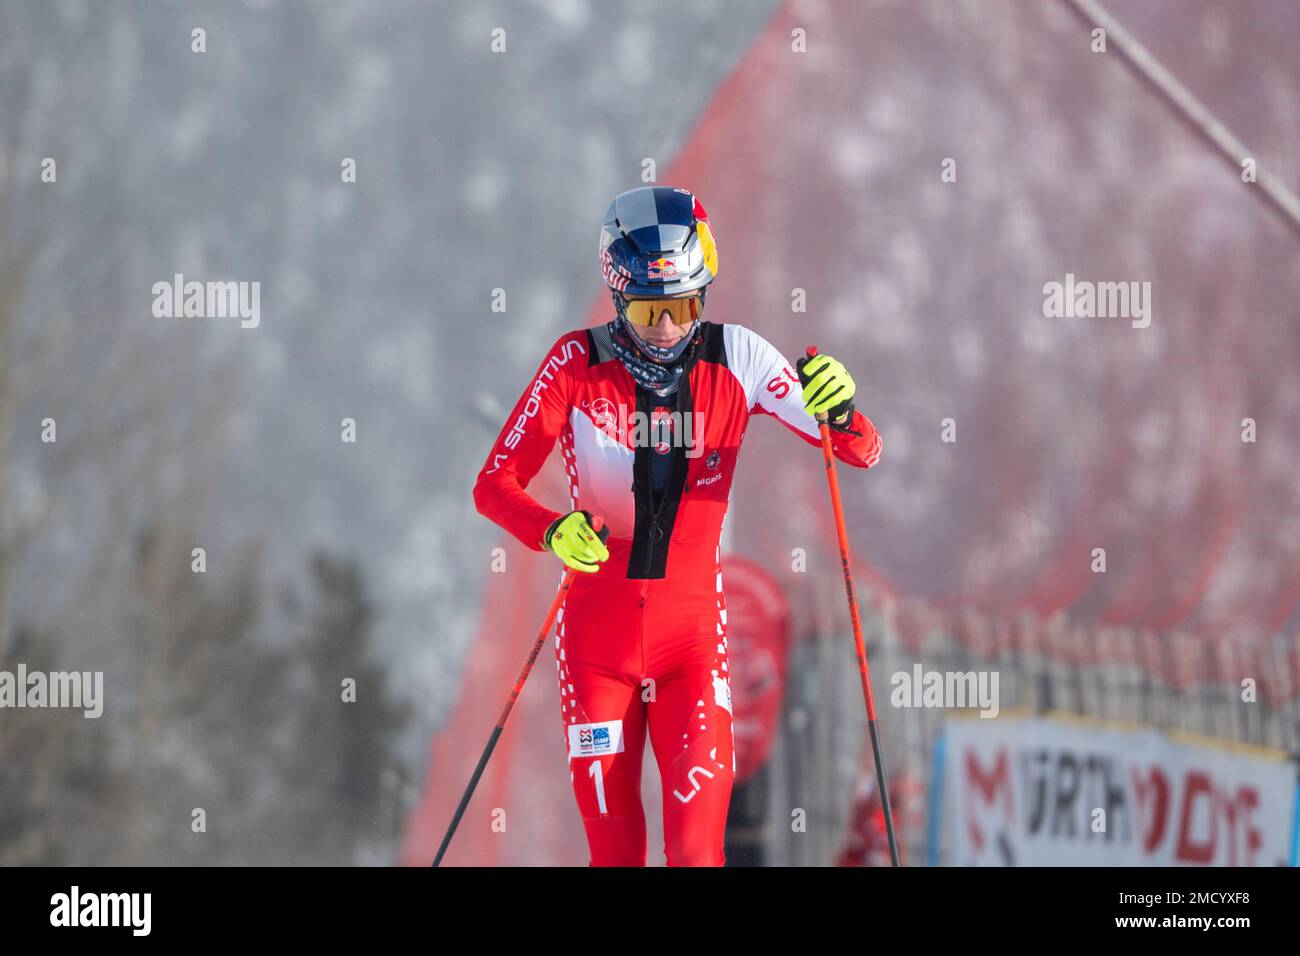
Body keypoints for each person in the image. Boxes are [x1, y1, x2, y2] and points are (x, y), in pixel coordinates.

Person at [473, 185, 882, 866]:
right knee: (617, 855)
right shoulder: (576, 365)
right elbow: (494, 485)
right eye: (649, 309)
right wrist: (549, 530)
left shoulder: (740, 358)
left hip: (690, 645)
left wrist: (841, 408)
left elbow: (859, 450)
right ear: (617, 296)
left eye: (685, 305)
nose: (667, 328)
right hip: (597, 650)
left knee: (696, 853)